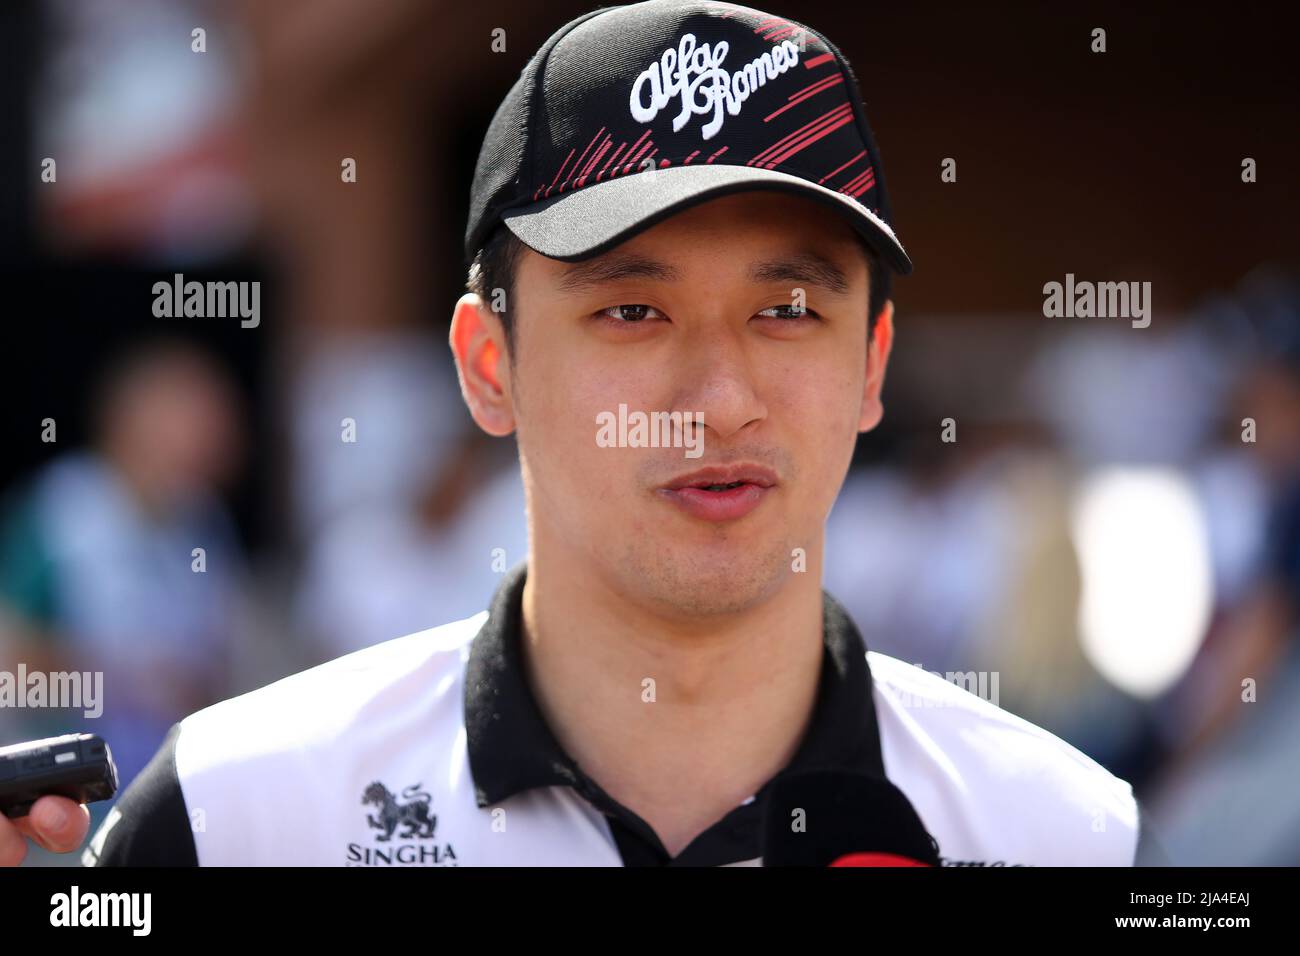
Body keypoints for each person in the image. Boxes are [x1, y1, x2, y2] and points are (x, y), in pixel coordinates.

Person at [2, 0, 1153, 867]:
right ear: (487, 365)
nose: (719, 399)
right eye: (633, 310)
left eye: (788, 310)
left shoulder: (1062, 833)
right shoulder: (237, 814)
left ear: (871, 365)